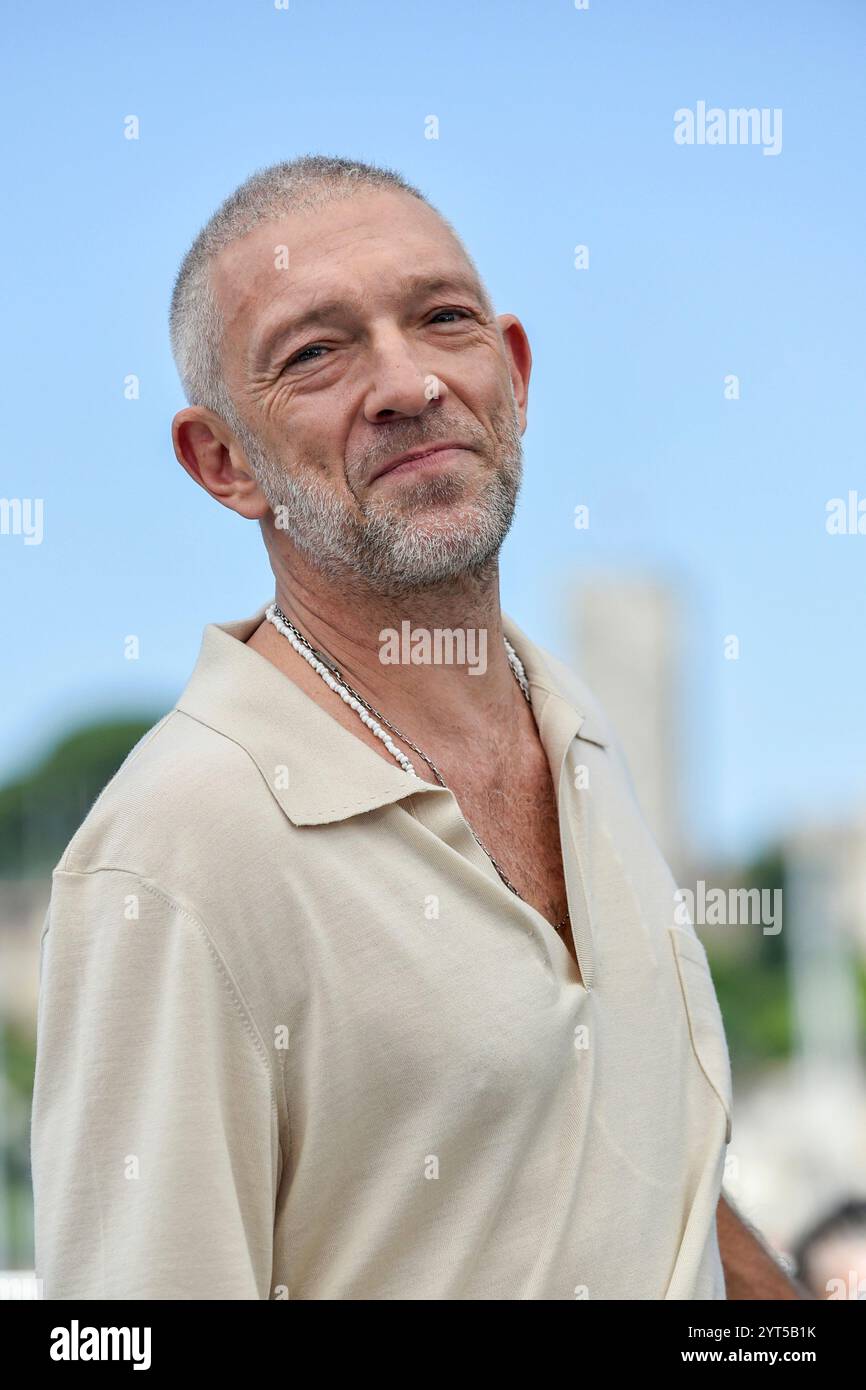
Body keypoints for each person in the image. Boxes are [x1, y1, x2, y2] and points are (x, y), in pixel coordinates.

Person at [30, 154, 802, 1300]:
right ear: (223, 462)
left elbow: (645, 1173)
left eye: (442, 319)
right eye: (315, 352)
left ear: (513, 374)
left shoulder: (573, 729)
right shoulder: (174, 850)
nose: (407, 383)